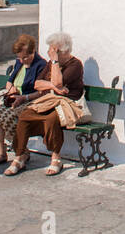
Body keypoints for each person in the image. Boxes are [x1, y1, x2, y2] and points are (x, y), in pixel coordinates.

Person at [6, 32, 85, 177]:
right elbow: (38, 84)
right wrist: (54, 87)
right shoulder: (51, 63)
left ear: (64, 51)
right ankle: (19, 155)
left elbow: (58, 82)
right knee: (25, 115)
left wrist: (54, 64)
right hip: (50, 100)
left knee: (51, 119)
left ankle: (56, 158)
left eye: (53, 50)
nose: (50, 53)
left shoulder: (75, 64)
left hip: (68, 104)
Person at [0, 34, 48, 168]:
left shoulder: (41, 65)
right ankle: (1, 153)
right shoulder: (19, 62)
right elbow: (9, 81)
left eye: (25, 57)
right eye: (20, 57)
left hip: (29, 101)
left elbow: (42, 91)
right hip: (15, 99)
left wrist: (23, 97)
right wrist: (12, 89)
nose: (22, 60)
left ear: (33, 51)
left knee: (9, 118)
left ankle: (22, 152)